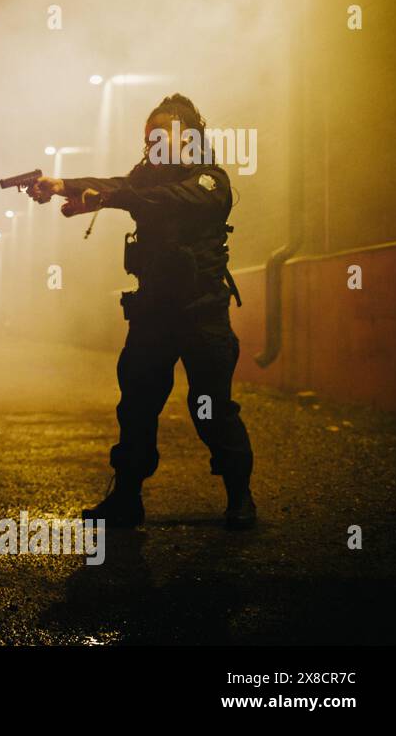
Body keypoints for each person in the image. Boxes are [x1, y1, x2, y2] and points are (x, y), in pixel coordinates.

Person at [29, 93, 256, 530]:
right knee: (136, 405)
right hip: (153, 312)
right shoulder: (144, 181)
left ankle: (240, 497)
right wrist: (65, 185)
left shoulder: (211, 180)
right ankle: (127, 499)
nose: (153, 143)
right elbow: (120, 185)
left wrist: (106, 199)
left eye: (162, 135)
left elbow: (164, 199)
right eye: (148, 136)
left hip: (201, 312)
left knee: (210, 408)